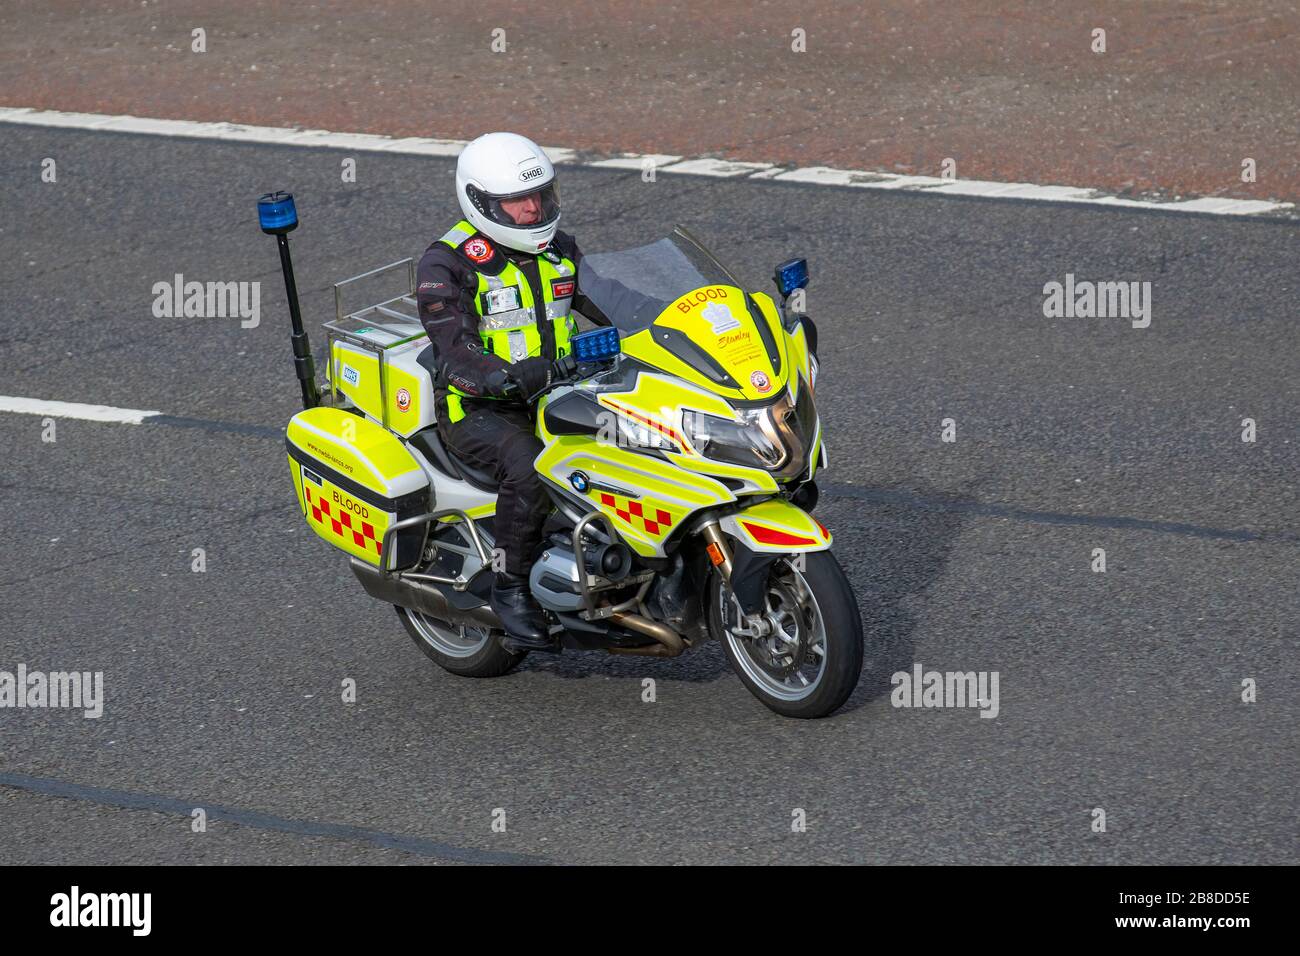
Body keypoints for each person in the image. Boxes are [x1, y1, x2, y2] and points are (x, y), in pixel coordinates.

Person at [414, 132, 607, 653]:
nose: (532, 209)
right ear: (480, 202)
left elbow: (621, 301)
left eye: (539, 196)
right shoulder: (446, 263)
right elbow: (451, 347)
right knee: (533, 463)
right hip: (478, 408)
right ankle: (510, 589)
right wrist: (501, 377)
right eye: (517, 202)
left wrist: (682, 322)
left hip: (561, 392)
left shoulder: (561, 250)